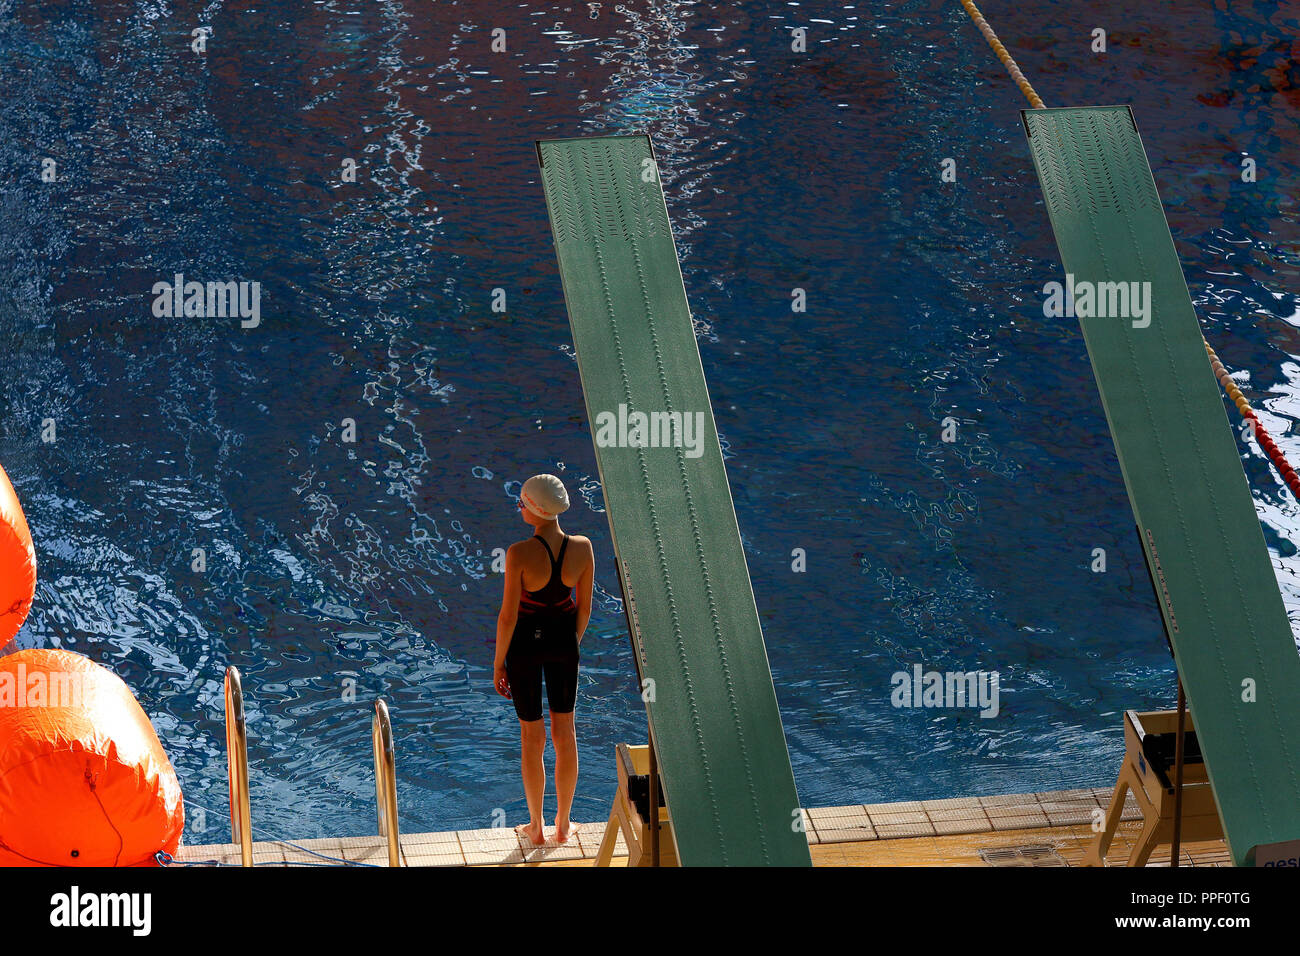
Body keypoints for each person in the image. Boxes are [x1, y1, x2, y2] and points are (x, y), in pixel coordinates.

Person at [494, 474, 594, 845]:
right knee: (565, 734)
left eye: (521, 502)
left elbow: (508, 617)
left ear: (534, 508)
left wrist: (498, 662)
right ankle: (564, 826)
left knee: (531, 737)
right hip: (564, 645)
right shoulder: (583, 547)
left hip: (524, 648)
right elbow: (584, 609)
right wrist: (569, 645)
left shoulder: (519, 552)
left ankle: (535, 829)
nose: (518, 508)